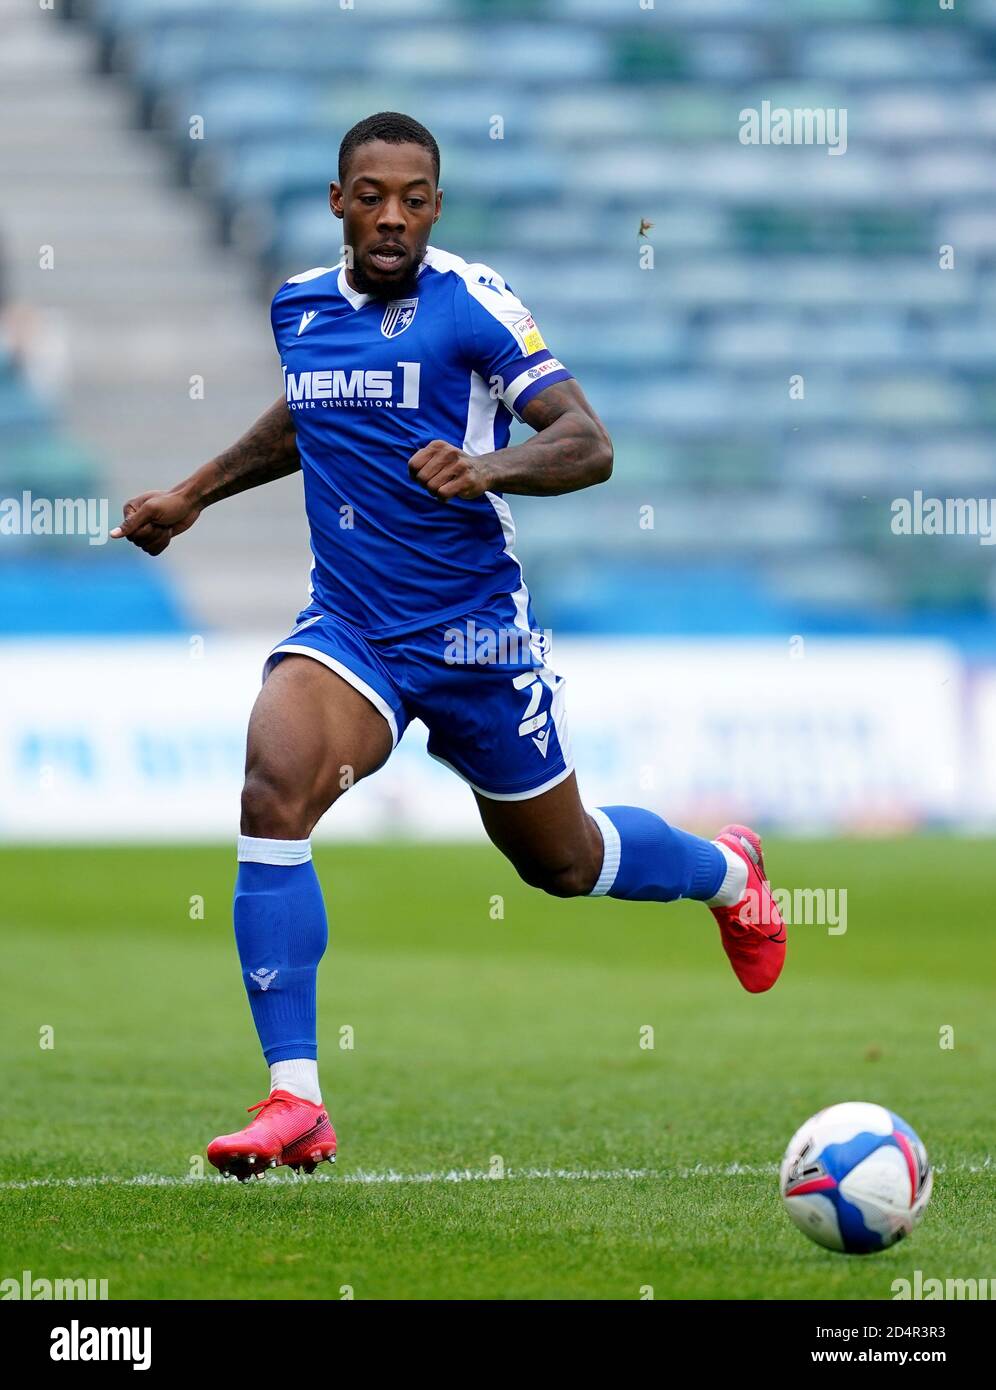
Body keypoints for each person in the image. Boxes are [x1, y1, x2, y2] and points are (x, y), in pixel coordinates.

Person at [113, 112, 785, 1181]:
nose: (391, 217)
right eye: (370, 195)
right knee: (272, 790)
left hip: (473, 637)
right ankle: (297, 1099)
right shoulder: (298, 307)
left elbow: (587, 443)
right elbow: (307, 417)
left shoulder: (472, 304)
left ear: (436, 205)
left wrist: (487, 470)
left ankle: (724, 873)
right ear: (338, 202)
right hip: (353, 629)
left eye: (413, 198)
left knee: (563, 862)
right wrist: (193, 493)